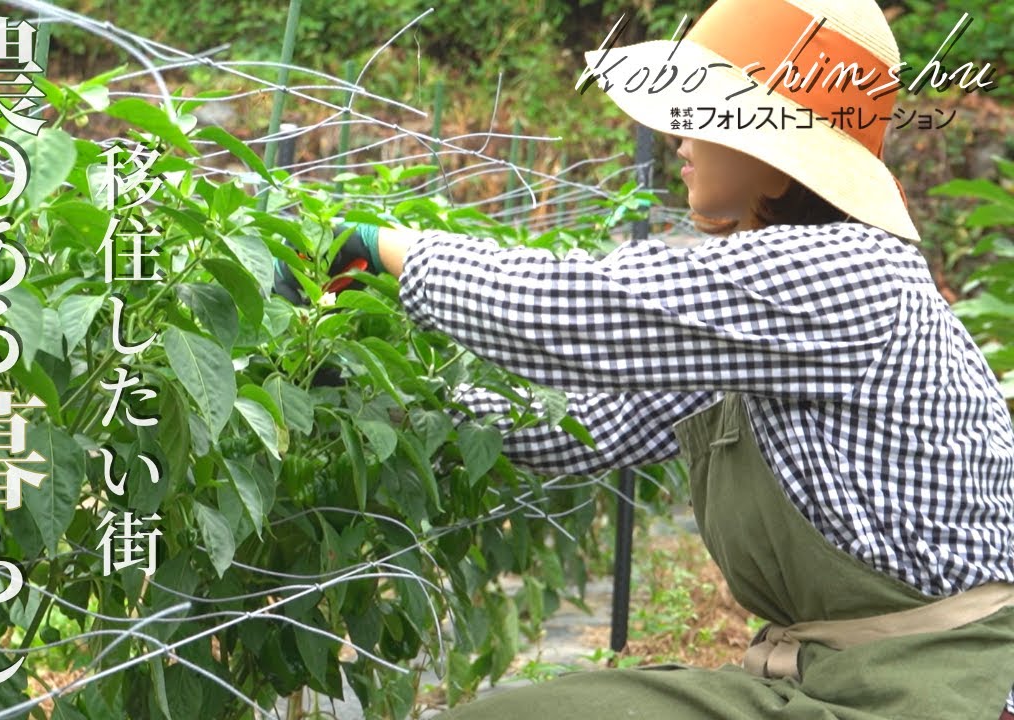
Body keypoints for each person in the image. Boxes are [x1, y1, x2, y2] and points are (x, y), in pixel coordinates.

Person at [277, 0, 1014, 717]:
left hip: (937, 689)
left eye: (702, 113)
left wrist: (378, 251)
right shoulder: (766, 323)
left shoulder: (850, 272)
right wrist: (387, 403)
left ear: (777, 163)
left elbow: (574, 310)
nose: (675, 135)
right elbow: (578, 428)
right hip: (841, 677)